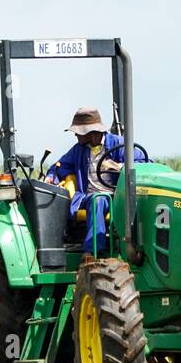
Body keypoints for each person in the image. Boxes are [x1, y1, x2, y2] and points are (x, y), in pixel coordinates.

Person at [44, 106, 142, 254]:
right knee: (96, 199)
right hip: (86, 197)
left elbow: (144, 164)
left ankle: (91, 251)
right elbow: (59, 166)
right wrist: (50, 178)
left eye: (78, 133)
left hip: (116, 197)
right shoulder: (78, 149)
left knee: (99, 199)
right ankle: (91, 249)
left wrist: (117, 166)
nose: (76, 136)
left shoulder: (119, 144)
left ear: (90, 132)